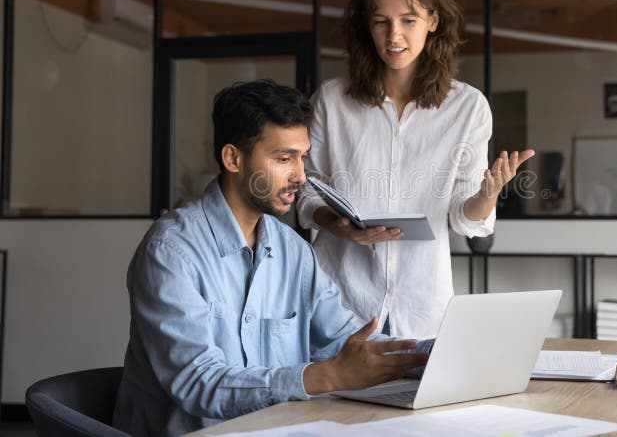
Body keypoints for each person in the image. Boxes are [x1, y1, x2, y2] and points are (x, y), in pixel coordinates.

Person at [113, 80, 430, 437]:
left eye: (302, 157)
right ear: (233, 158)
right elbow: (199, 382)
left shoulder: (293, 251)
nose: (300, 176)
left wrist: (434, 355)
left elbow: (346, 340)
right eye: (284, 159)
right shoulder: (170, 252)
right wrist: (326, 376)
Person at [297, 0, 533, 339]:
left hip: (421, 307)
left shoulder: (467, 108)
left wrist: (487, 196)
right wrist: (337, 225)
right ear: (366, 25)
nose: (394, 36)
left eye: (408, 20)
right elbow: (307, 192)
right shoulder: (331, 101)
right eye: (381, 21)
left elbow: (464, 218)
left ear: (433, 20)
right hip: (338, 302)